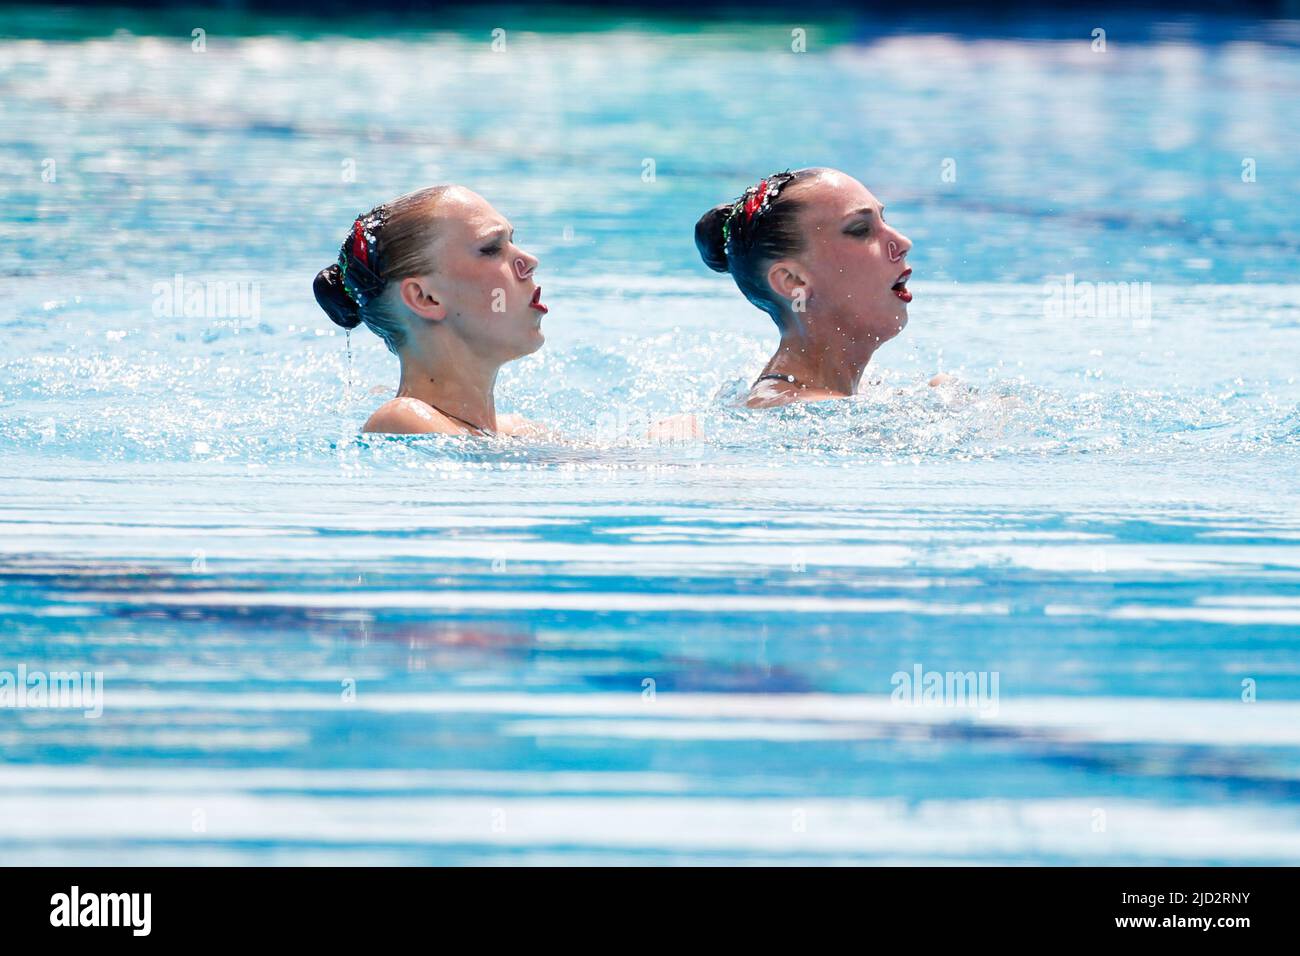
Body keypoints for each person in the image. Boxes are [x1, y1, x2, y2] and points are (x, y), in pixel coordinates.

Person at [695, 167, 948, 408]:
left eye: (883, 220)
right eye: (860, 230)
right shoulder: (784, 411)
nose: (903, 242)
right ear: (793, 282)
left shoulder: (854, 400)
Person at [313, 185, 549, 436]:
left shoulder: (522, 431)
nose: (530, 261)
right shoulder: (402, 419)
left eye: (511, 241)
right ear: (425, 298)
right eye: (491, 248)